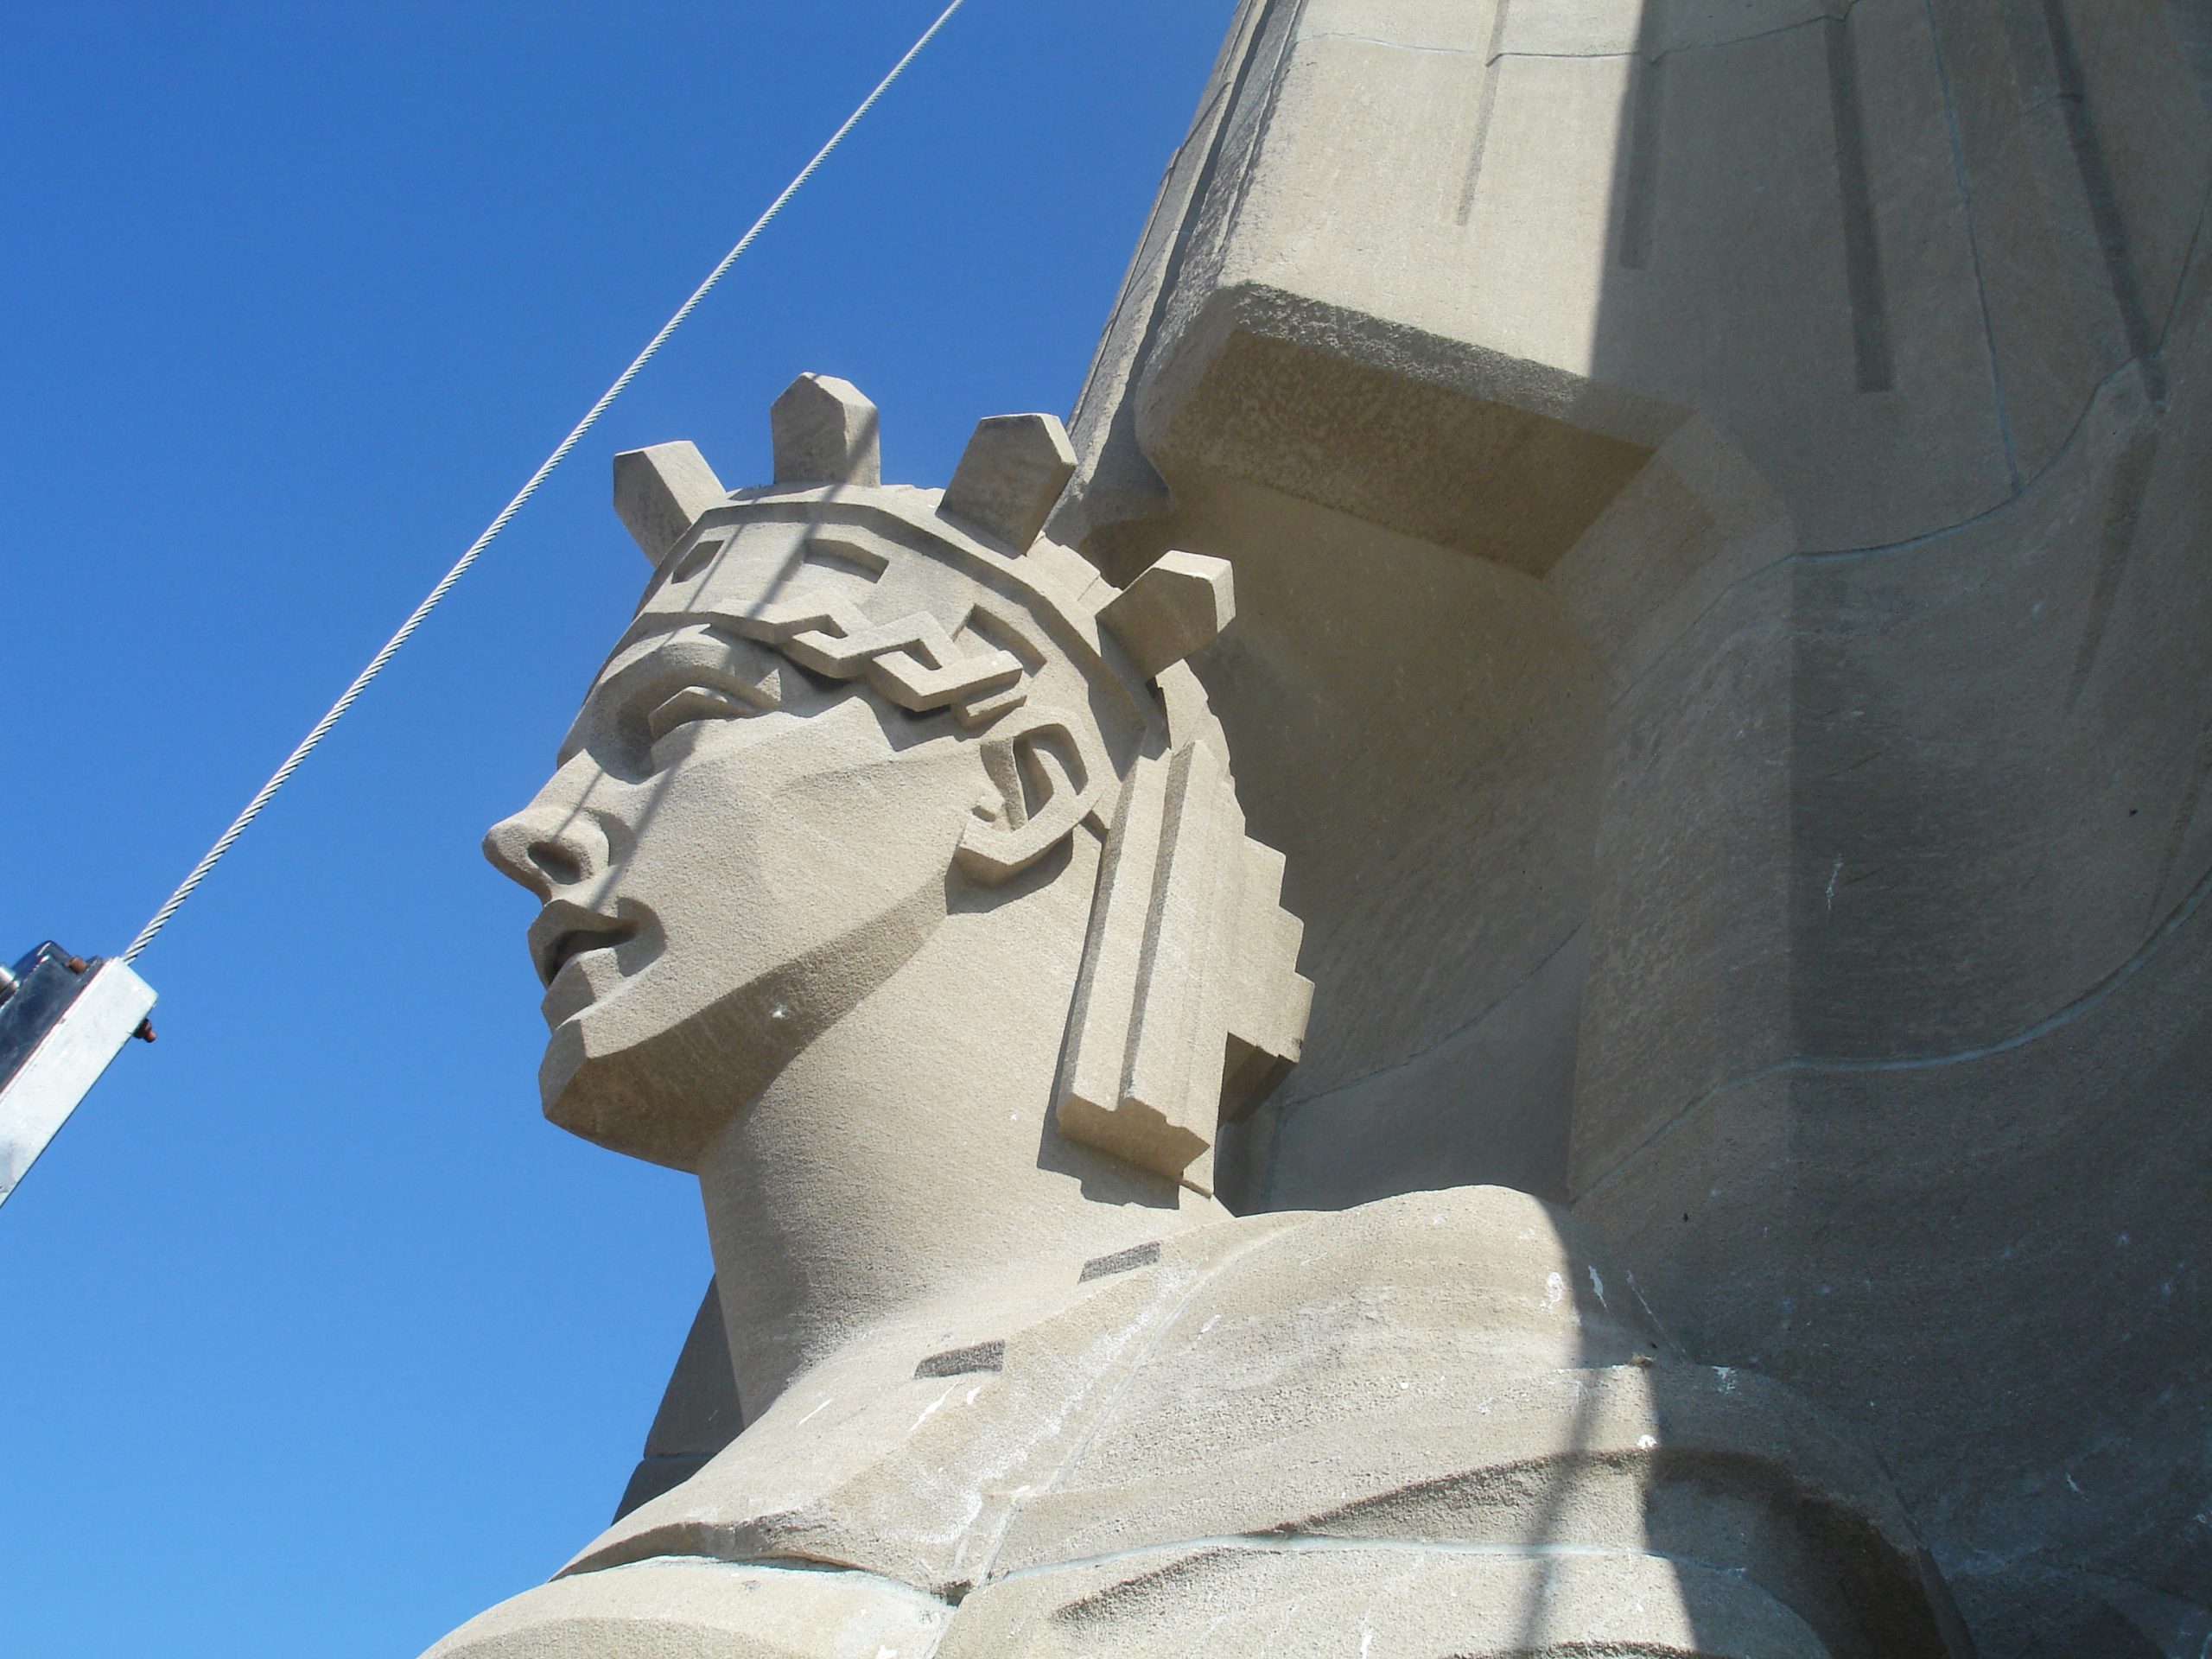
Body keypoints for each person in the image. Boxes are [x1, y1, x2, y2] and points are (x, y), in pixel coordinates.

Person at [430, 376, 1968, 1659]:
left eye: (678, 723)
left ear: (1021, 787)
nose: (537, 825)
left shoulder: (1391, 1324)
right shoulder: (704, 1479)